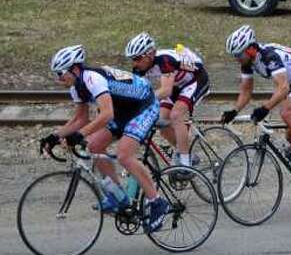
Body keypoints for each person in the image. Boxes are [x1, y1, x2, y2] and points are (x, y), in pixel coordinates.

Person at [40, 45, 171, 230]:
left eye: (61, 72)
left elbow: (106, 115)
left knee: (125, 155)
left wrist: (78, 135)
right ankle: (119, 197)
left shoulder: (92, 78)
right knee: (93, 146)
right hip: (122, 111)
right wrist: (53, 137)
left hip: (144, 105)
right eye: (56, 74)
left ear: (75, 69)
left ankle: (158, 202)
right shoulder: (76, 87)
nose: (59, 78)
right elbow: (80, 119)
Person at [221, 25, 291, 184]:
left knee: (286, 113)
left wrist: (265, 108)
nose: (236, 58)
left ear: (249, 49)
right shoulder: (247, 62)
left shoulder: (269, 56)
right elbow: (246, 92)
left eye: (238, 54)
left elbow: (283, 88)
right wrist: (234, 111)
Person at [124, 33, 209, 168]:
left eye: (137, 58)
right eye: (132, 59)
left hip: (196, 79)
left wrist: (143, 101)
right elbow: (135, 92)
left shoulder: (165, 60)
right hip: (177, 85)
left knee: (176, 114)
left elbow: (165, 91)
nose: (135, 63)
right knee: (161, 122)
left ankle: (186, 163)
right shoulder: (139, 67)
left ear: (150, 54)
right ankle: (187, 152)